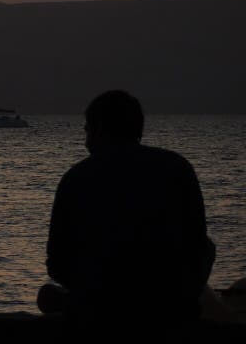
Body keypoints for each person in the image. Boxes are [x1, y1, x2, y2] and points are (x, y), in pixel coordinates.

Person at [41, 90, 214, 327]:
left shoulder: (77, 177)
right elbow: (199, 247)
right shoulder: (178, 168)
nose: (85, 140)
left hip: (99, 314)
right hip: (171, 310)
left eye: (87, 130)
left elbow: (58, 263)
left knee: (49, 296)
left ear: (99, 129)